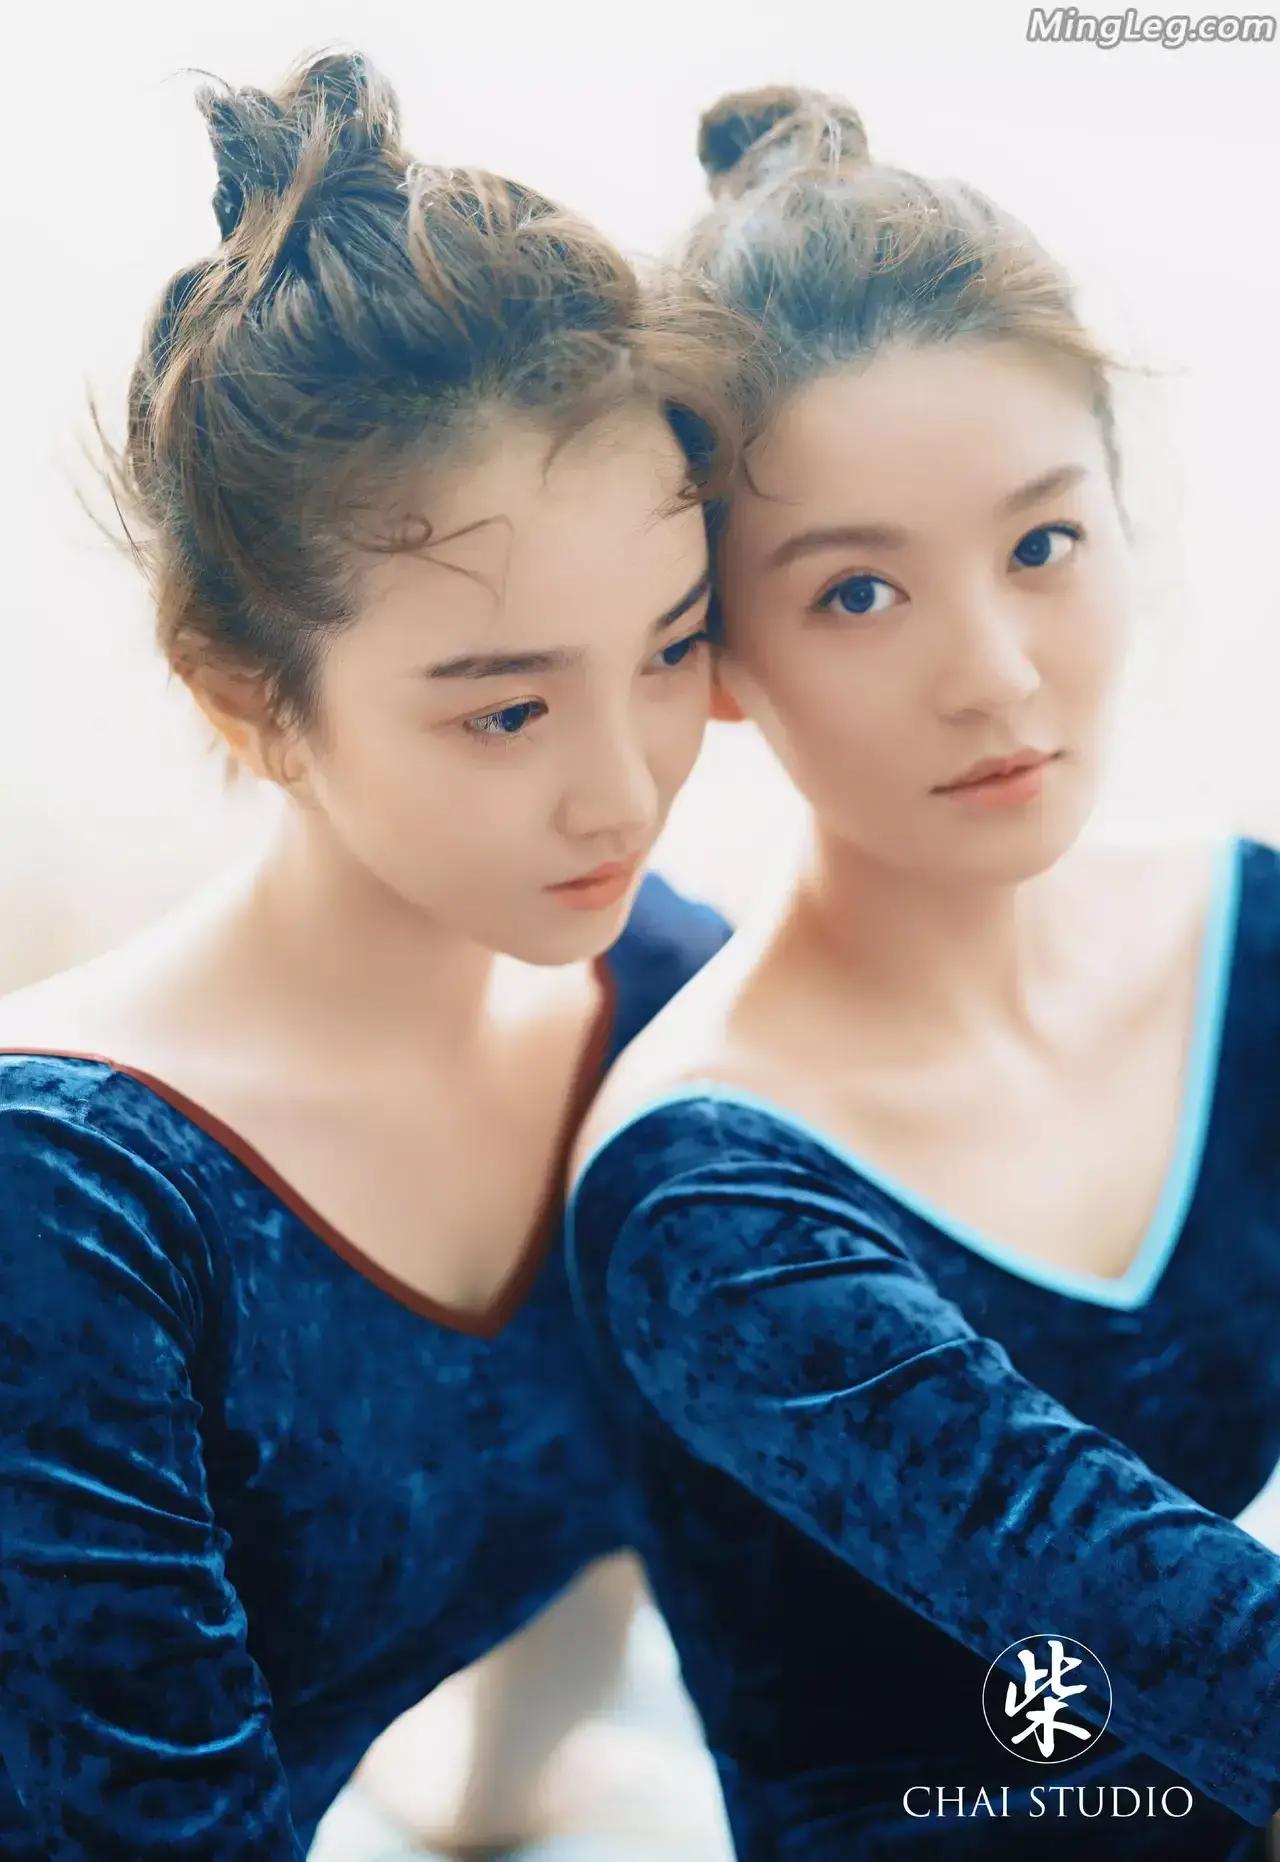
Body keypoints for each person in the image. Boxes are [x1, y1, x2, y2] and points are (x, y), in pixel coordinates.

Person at [0, 48, 739, 1860]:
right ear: (247, 699)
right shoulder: (70, 1203)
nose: (626, 786)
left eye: (671, 647)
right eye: (505, 711)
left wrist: (486, 1812)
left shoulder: (662, 1000)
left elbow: (627, 1508)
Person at [565, 86, 1280, 1859]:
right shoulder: (707, 1196)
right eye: (859, 596)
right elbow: (1188, 1641)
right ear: (718, 655)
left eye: (1043, 545)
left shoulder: (1248, 933)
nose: (998, 676)